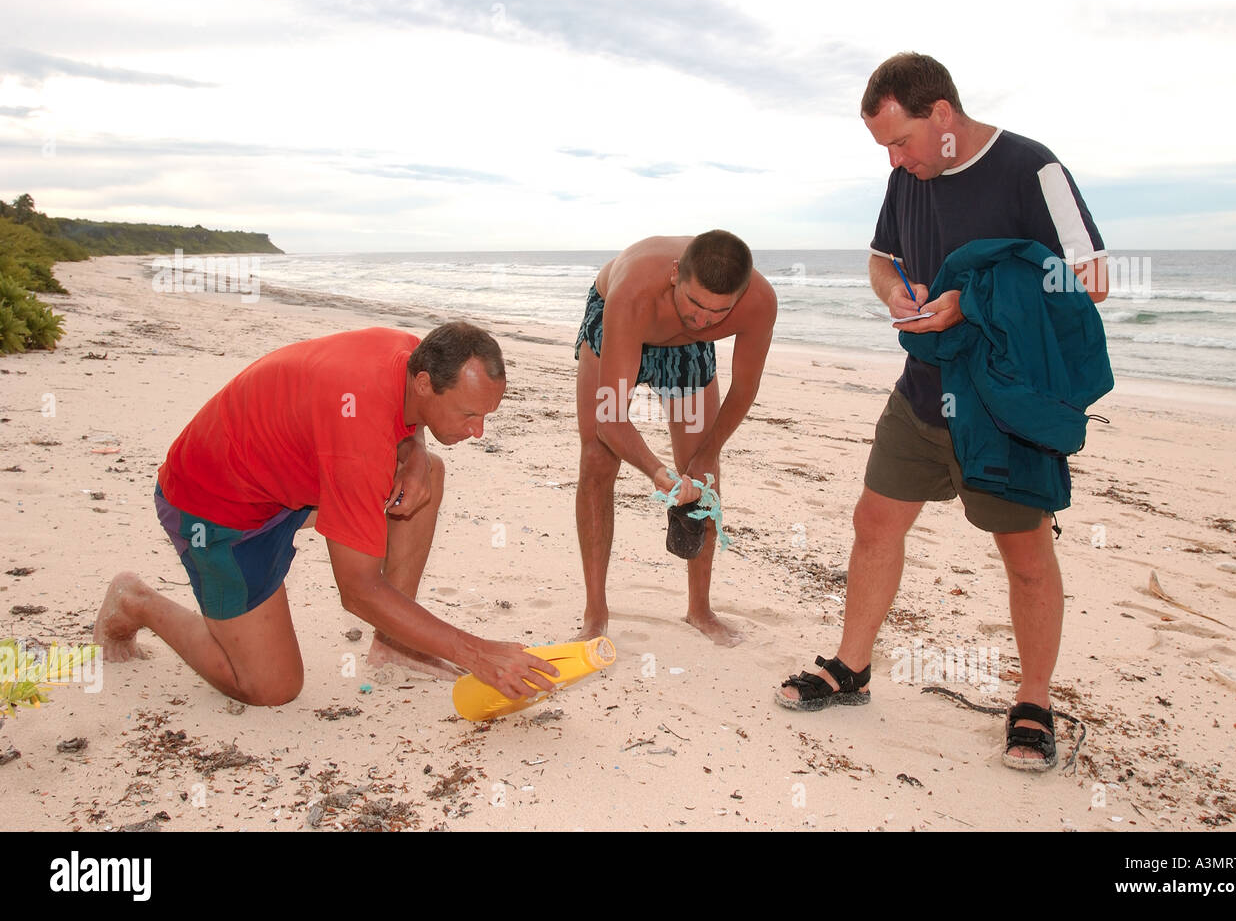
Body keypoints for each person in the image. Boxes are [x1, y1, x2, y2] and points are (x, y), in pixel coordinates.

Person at [777, 53, 1109, 771]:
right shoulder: (906, 178)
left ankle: (1034, 702)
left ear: (943, 117)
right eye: (883, 149)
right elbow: (880, 258)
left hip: (1004, 408)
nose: (893, 160)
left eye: (901, 141)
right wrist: (893, 291)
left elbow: (1092, 279)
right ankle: (852, 668)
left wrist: (975, 300)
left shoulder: (1032, 169)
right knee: (874, 521)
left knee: (1024, 556)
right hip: (923, 387)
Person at [94, 323, 559, 706]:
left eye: (486, 417)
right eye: (469, 415)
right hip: (214, 508)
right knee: (270, 688)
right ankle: (136, 600)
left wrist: (415, 452)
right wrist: (478, 654)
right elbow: (358, 591)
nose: (478, 432)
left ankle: (394, 644)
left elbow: (394, 420)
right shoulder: (358, 444)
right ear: (424, 383)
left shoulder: (408, 352)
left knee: (427, 474)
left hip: (287, 482)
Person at [574, 231, 777, 646]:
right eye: (696, 303)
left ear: (739, 297)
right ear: (674, 275)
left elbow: (744, 389)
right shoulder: (634, 293)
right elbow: (610, 420)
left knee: (704, 475)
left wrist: (707, 454)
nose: (703, 318)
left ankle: (699, 609)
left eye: (718, 312)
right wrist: (657, 472)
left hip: (687, 352)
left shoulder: (759, 302)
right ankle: (596, 611)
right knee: (597, 457)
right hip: (622, 326)